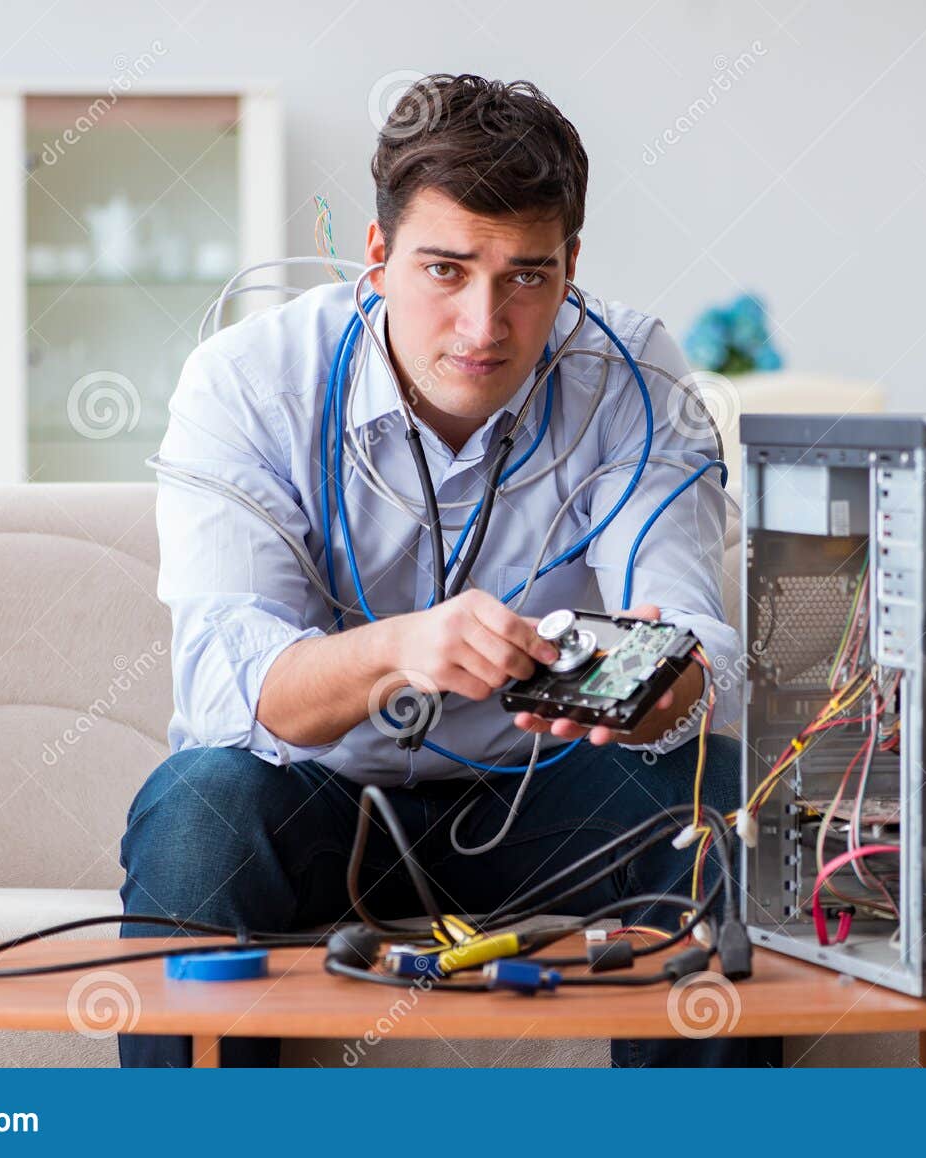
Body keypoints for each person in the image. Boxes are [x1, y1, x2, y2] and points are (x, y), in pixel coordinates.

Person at [118, 72, 779, 1068]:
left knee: (716, 800)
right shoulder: (251, 380)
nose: (484, 325)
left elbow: (697, 657)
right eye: (445, 270)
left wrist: (647, 683)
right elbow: (226, 692)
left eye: (526, 275)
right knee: (197, 808)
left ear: (571, 268)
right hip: (319, 797)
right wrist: (395, 653)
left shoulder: (631, 374)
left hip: (546, 789)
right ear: (376, 258)